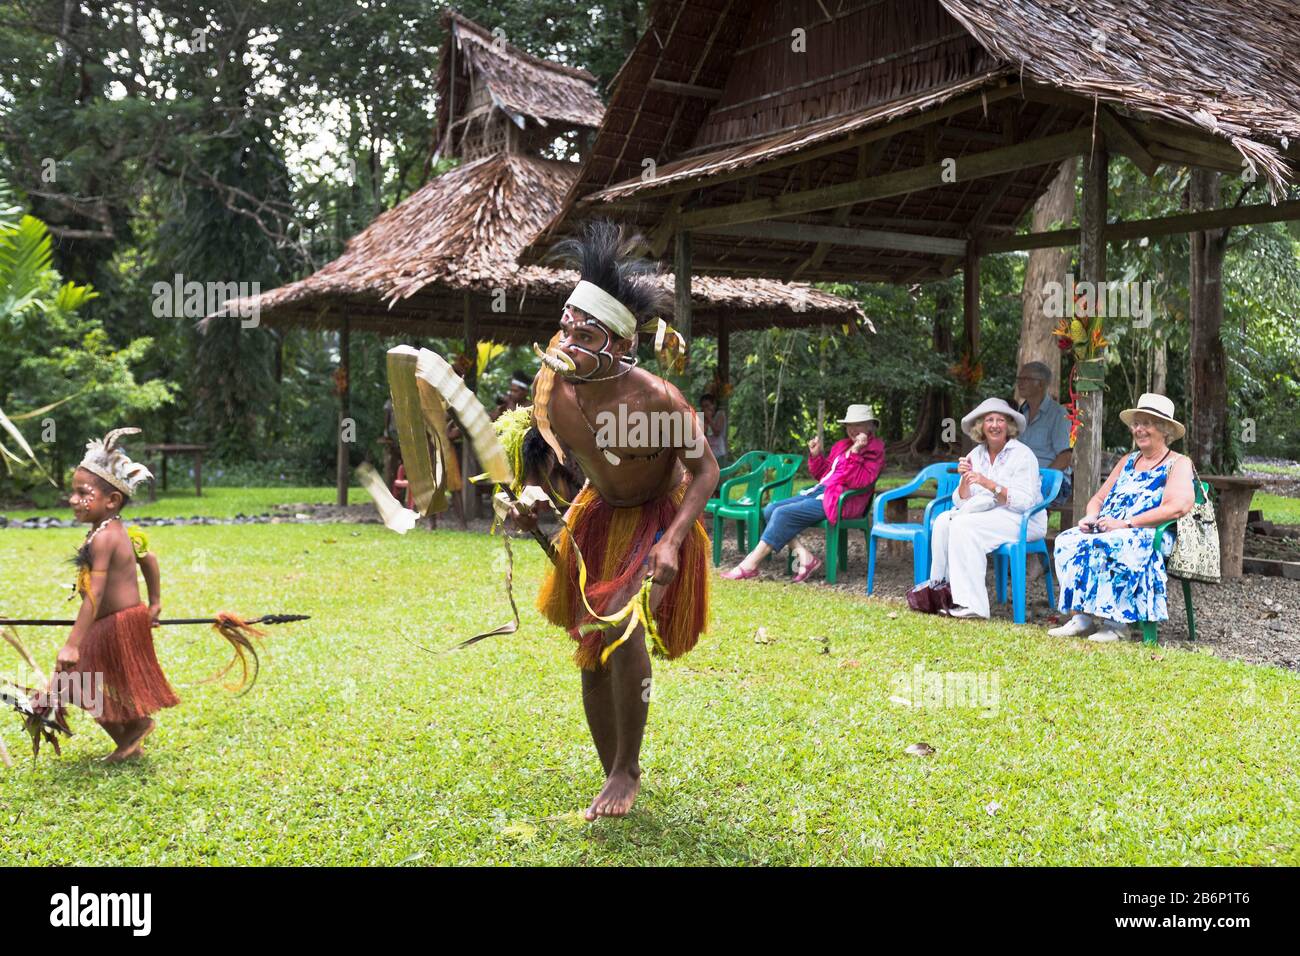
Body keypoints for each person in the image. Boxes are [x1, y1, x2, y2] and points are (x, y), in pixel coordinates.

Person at [511, 221, 717, 822]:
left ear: (622, 347)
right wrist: (531, 498)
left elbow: (706, 473)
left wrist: (674, 540)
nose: (567, 340)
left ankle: (628, 767)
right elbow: (540, 451)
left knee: (624, 630)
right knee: (593, 641)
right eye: (566, 326)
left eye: (584, 333)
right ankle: (612, 768)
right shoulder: (554, 391)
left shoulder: (657, 399)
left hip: (658, 516)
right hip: (596, 516)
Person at [55, 428, 178, 762]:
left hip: (115, 622)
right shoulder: (118, 530)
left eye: (83, 493)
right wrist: (155, 602)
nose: (73, 500)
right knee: (84, 683)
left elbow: (94, 593)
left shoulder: (103, 538)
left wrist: (72, 644)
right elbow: (148, 559)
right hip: (122, 618)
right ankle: (129, 738)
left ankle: (135, 727)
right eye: (73, 492)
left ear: (112, 501)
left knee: (75, 681)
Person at [1048, 393, 1195, 642]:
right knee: (1067, 540)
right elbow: (1097, 500)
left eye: (1147, 424)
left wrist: (1126, 523)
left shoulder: (1178, 463)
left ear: (1164, 430)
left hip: (1150, 533)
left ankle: (1116, 624)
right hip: (1111, 526)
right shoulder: (1127, 461)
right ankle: (1081, 618)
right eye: (1136, 424)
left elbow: (1177, 507)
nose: (1139, 429)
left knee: (1113, 543)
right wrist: (1092, 517)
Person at [721, 405, 884, 583]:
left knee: (782, 513)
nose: (852, 429)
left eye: (858, 424)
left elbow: (857, 481)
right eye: (849, 425)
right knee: (771, 508)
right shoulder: (842, 445)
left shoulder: (874, 450)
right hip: (822, 492)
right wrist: (816, 456)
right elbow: (825, 475)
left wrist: (855, 453)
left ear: (870, 426)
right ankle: (805, 557)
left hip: (843, 500)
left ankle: (749, 565)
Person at [924, 398, 1044, 619]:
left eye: (1001, 420)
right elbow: (961, 502)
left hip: (1023, 518)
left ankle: (974, 605)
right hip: (988, 514)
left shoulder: (1023, 455)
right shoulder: (976, 454)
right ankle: (943, 592)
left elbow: (1025, 502)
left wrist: (988, 483)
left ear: (1009, 426)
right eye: (990, 420)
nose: (995, 425)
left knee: (963, 525)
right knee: (943, 521)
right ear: (981, 426)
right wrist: (965, 481)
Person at [1016, 361, 1073, 503]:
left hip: (1052, 482)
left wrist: (1040, 478)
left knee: (1018, 501)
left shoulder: (1058, 414)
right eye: (1019, 379)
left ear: (1041, 384)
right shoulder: (1020, 413)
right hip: (1022, 480)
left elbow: (1065, 457)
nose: (1020, 383)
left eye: (1026, 379)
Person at [699, 393, 728, 466]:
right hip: (708, 455)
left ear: (713, 405)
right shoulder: (702, 418)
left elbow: (717, 432)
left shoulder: (720, 414)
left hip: (719, 454)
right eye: (703, 407)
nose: (705, 409)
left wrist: (709, 418)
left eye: (707, 406)